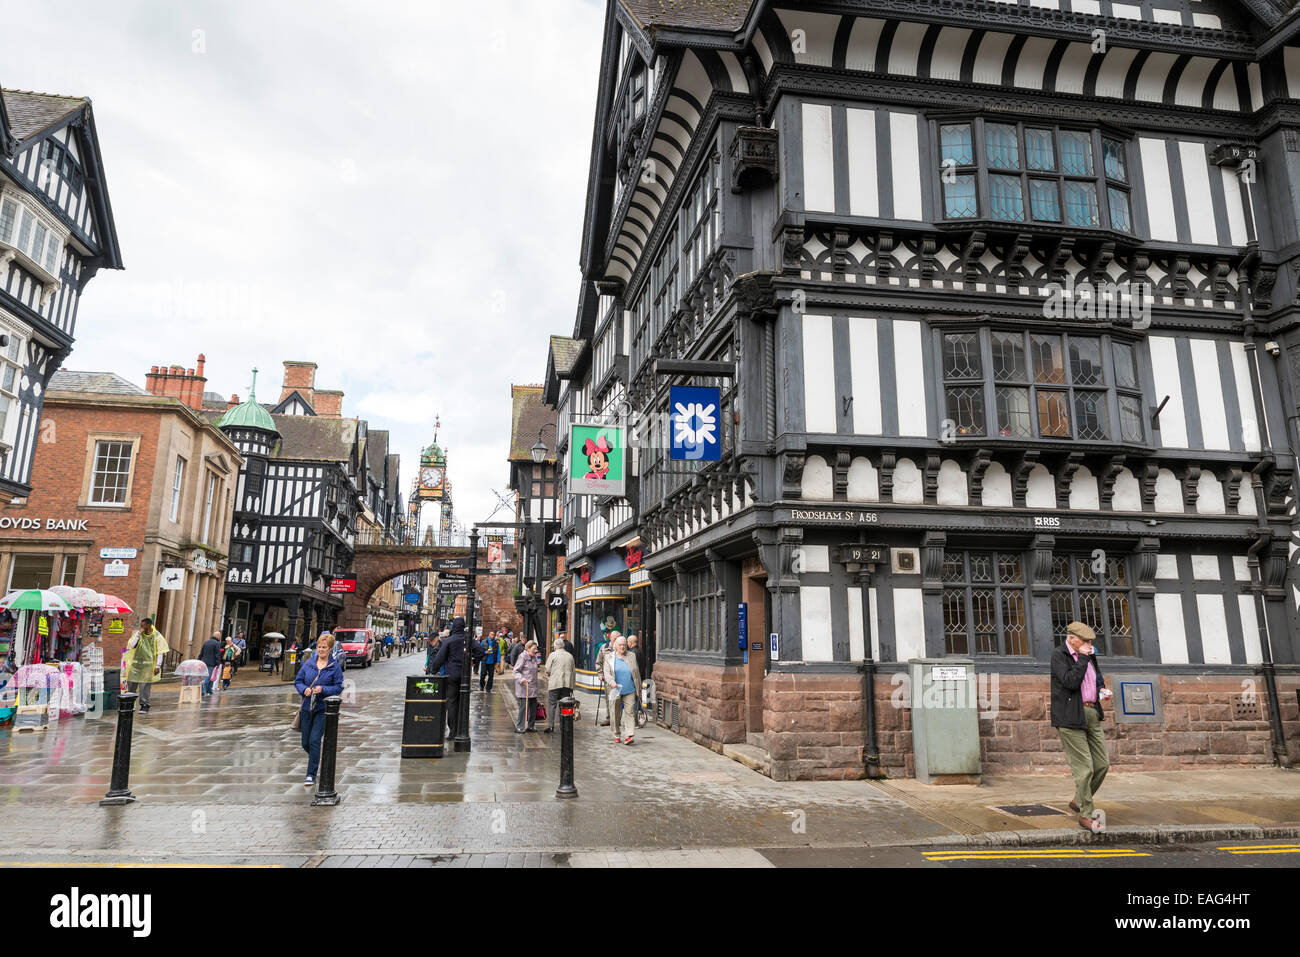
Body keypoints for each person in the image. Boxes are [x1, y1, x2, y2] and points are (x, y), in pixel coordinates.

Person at [1052, 621, 1113, 833]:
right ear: (1072, 639)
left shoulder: (1089, 655)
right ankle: (1086, 814)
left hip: (1091, 713)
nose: (1089, 645)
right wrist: (1084, 658)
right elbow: (1070, 681)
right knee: (1085, 767)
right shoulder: (1060, 655)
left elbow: (1095, 678)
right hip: (1070, 717)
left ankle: (1079, 799)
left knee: (1102, 764)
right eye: (1085, 641)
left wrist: (1102, 689)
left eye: (1090, 642)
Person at [294, 633, 345, 788]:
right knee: (305, 742)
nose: (321, 650)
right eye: (319, 647)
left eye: (324, 647)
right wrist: (304, 690)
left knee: (315, 740)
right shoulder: (309, 663)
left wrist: (323, 689)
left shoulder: (334, 667)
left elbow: (338, 687)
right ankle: (315, 758)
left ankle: (311, 774)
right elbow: (298, 681)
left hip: (322, 708)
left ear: (330, 649)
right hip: (306, 707)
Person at [428, 617, 468, 739]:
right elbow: (481, 651)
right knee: (463, 703)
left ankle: (453, 731)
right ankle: (463, 730)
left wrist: (433, 670)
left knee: (452, 702)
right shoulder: (468, 640)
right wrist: (474, 661)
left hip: (452, 676)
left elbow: (439, 658)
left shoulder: (449, 641)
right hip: (465, 676)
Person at [123, 618, 169, 714]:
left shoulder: (157, 636)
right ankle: (130, 703)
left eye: (143, 625)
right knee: (131, 685)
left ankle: (144, 704)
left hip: (147, 666)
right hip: (135, 664)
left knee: (144, 687)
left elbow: (160, 652)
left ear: (148, 625)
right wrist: (139, 634)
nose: (141, 627)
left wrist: (158, 666)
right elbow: (132, 645)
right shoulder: (139, 634)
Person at [602, 635, 641, 744]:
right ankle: (616, 733)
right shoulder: (609, 657)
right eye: (620, 645)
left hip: (630, 690)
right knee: (615, 713)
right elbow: (606, 672)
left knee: (630, 712)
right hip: (615, 690)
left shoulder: (632, 656)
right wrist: (611, 682)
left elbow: (636, 673)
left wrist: (638, 689)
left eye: (624, 645)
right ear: (616, 646)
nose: (622, 647)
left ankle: (629, 735)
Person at [542, 637, 574, 733]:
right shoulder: (570, 656)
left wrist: (549, 673)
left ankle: (551, 726)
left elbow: (547, 669)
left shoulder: (553, 655)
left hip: (555, 683)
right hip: (567, 684)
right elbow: (573, 671)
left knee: (552, 704)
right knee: (564, 705)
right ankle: (564, 726)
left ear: (555, 647)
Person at [512, 639, 540, 732]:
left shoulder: (534, 657)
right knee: (524, 707)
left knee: (533, 707)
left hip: (533, 686)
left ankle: (531, 726)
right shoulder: (522, 657)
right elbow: (516, 671)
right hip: (525, 686)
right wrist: (521, 679)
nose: (535, 651)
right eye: (533, 649)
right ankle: (520, 726)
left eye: (536, 649)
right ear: (527, 649)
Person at [626, 633, 647, 723]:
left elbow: (632, 669)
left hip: (633, 680)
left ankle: (635, 720)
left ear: (630, 642)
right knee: (636, 699)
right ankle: (638, 718)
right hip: (639, 678)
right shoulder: (640, 651)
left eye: (627, 642)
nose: (627, 643)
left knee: (633, 700)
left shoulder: (632, 653)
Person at [198, 630, 223, 697]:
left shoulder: (206, 642)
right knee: (208, 678)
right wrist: (218, 664)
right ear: (218, 636)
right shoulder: (217, 644)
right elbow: (217, 654)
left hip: (204, 662)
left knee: (212, 678)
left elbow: (201, 653)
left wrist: (199, 660)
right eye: (220, 636)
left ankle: (209, 691)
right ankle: (202, 691)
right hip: (212, 663)